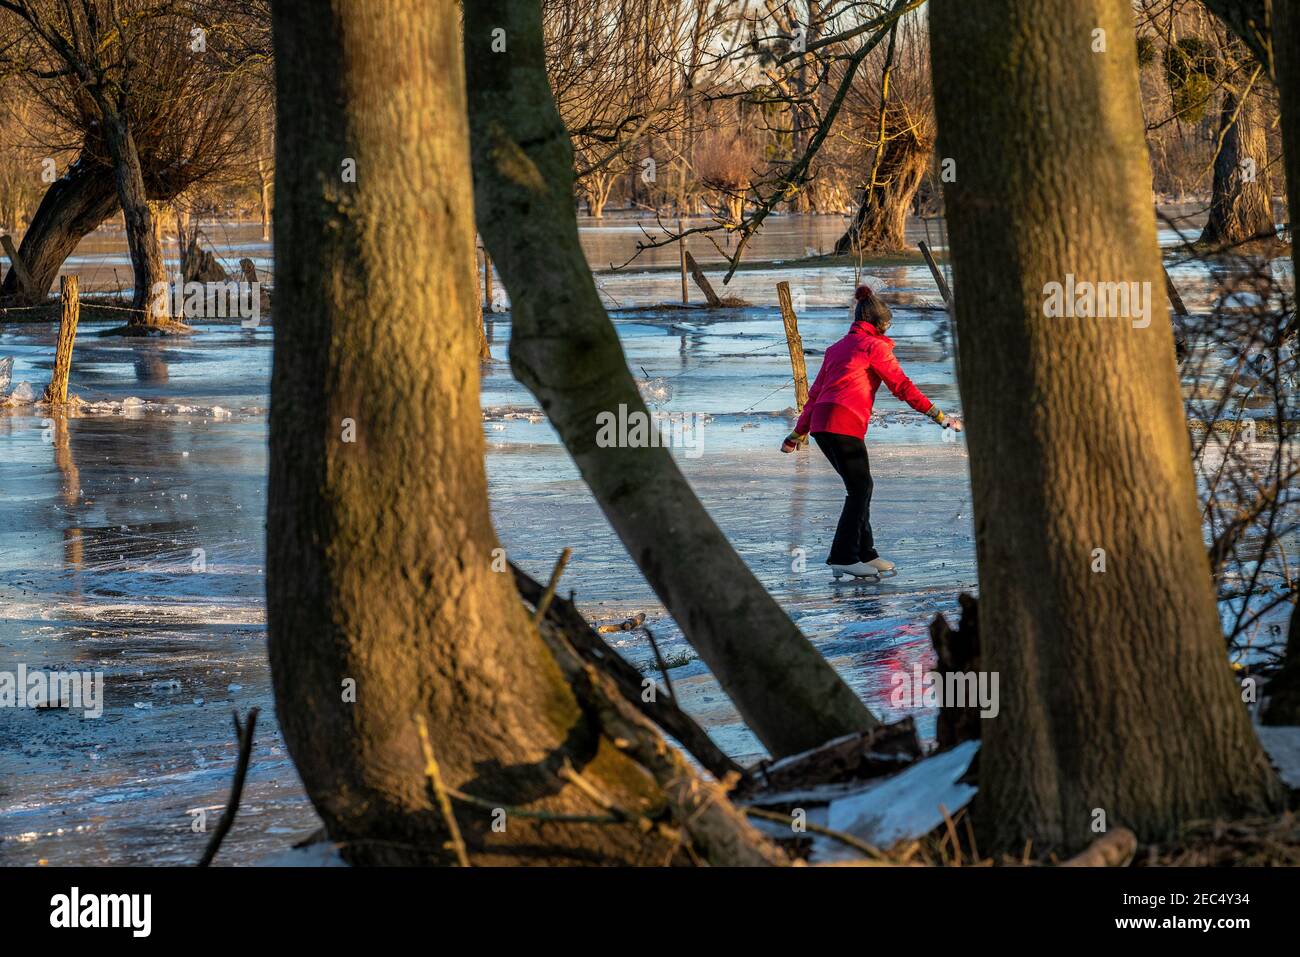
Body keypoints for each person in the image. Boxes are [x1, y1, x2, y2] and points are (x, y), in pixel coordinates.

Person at [781, 284, 962, 579]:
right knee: (860, 489)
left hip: (822, 427)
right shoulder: (874, 347)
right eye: (887, 327)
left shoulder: (837, 348)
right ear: (880, 325)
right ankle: (842, 556)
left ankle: (866, 553)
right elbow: (901, 386)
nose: (888, 332)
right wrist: (938, 415)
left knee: (860, 488)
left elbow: (814, 396)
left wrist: (797, 434)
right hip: (844, 423)